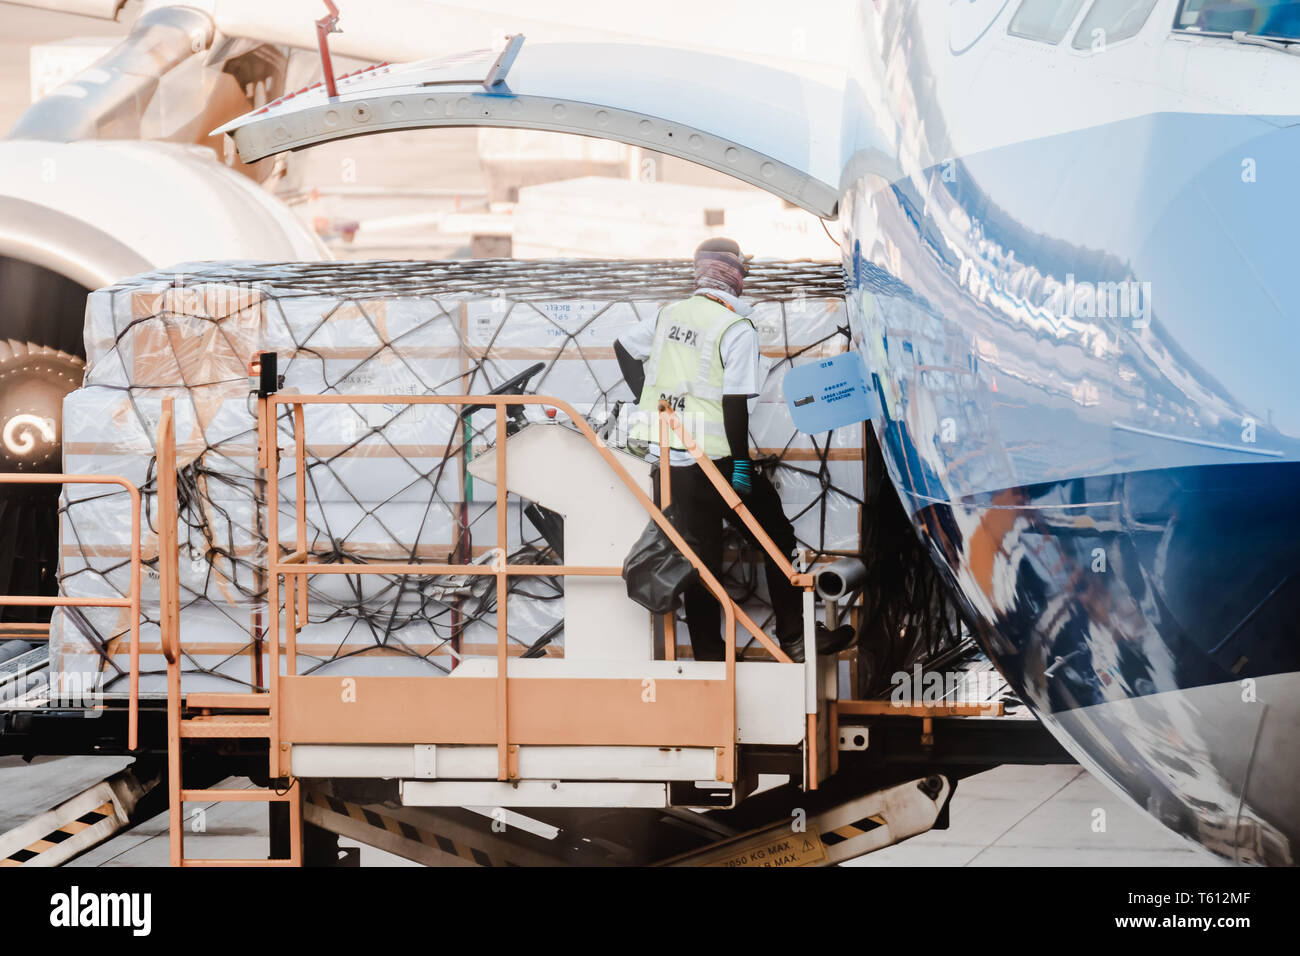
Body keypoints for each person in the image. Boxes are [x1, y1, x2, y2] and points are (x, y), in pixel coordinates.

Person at [614, 237, 854, 663]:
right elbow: (733, 403)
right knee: (777, 537)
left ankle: (709, 656)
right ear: (737, 277)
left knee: (699, 560)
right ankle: (795, 637)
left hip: (669, 463)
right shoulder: (734, 328)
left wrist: (646, 402)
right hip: (716, 464)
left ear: (699, 272)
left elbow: (623, 348)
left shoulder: (670, 315)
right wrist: (742, 465)